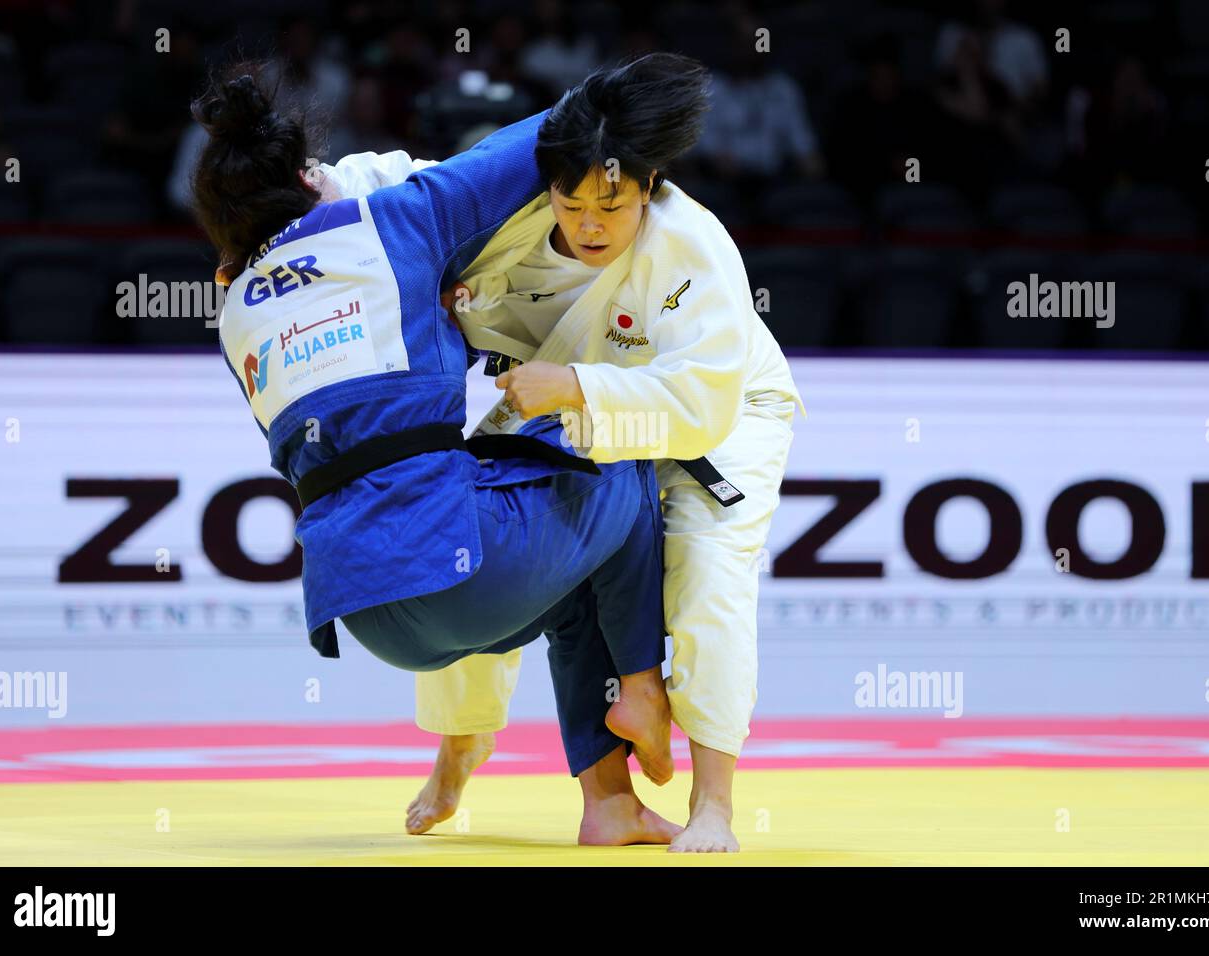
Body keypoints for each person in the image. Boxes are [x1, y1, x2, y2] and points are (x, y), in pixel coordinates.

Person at [195, 67, 676, 845]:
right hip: (468, 573)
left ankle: (610, 803)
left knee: (565, 565)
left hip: (374, 622)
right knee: (616, 443)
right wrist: (636, 79)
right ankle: (646, 691)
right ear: (310, 178)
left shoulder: (232, 320)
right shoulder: (392, 221)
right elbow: (555, 131)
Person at [410, 53, 803, 852]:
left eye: (612, 206)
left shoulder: (692, 248)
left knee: (709, 577)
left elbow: (703, 402)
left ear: (648, 189)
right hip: (567, 401)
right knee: (474, 536)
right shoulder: (506, 209)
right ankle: (462, 743)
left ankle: (715, 802)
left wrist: (580, 387)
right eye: (573, 202)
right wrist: (311, 189)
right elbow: (400, 184)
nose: (590, 225)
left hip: (722, 416)